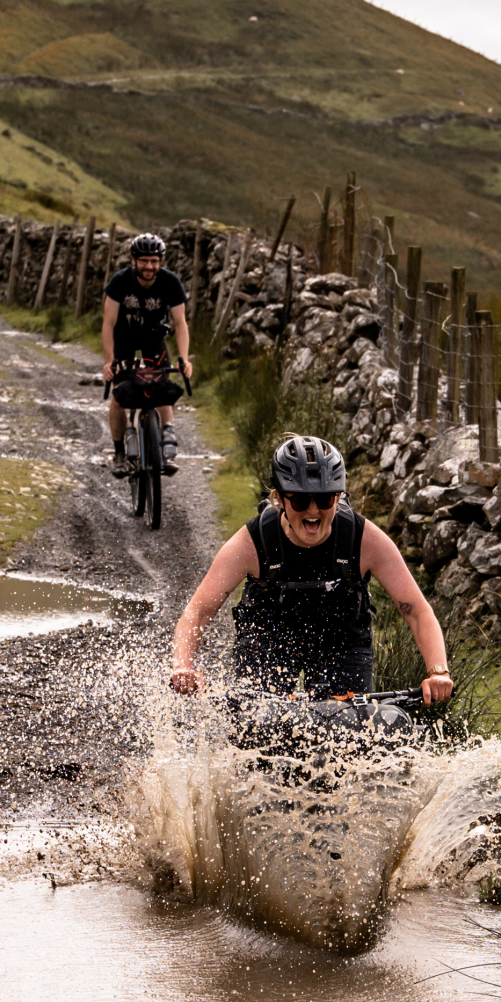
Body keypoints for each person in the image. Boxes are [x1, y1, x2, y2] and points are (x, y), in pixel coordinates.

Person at [168, 434, 455, 705]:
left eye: (325, 499)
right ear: (279, 498)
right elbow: (198, 611)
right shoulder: (253, 543)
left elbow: (416, 610)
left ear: (339, 496)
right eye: (300, 500)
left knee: (352, 733)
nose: (313, 511)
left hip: (341, 639)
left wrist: (438, 671)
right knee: (255, 727)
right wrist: (183, 667)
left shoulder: (364, 539)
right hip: (269, 636)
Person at [101, 232, 192, 477]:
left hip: (154, 339)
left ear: (160, 261)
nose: (149, 266)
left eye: (153, 261)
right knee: (120, 394)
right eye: (143, 261)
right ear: (134, 260)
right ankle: (119, 452)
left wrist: (184, 358)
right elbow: (108, 323)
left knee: (161, 385)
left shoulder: (170, 282)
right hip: (124, 339)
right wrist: (110, 361)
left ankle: (167, 443)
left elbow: (180, 323)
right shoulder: (119, 282)